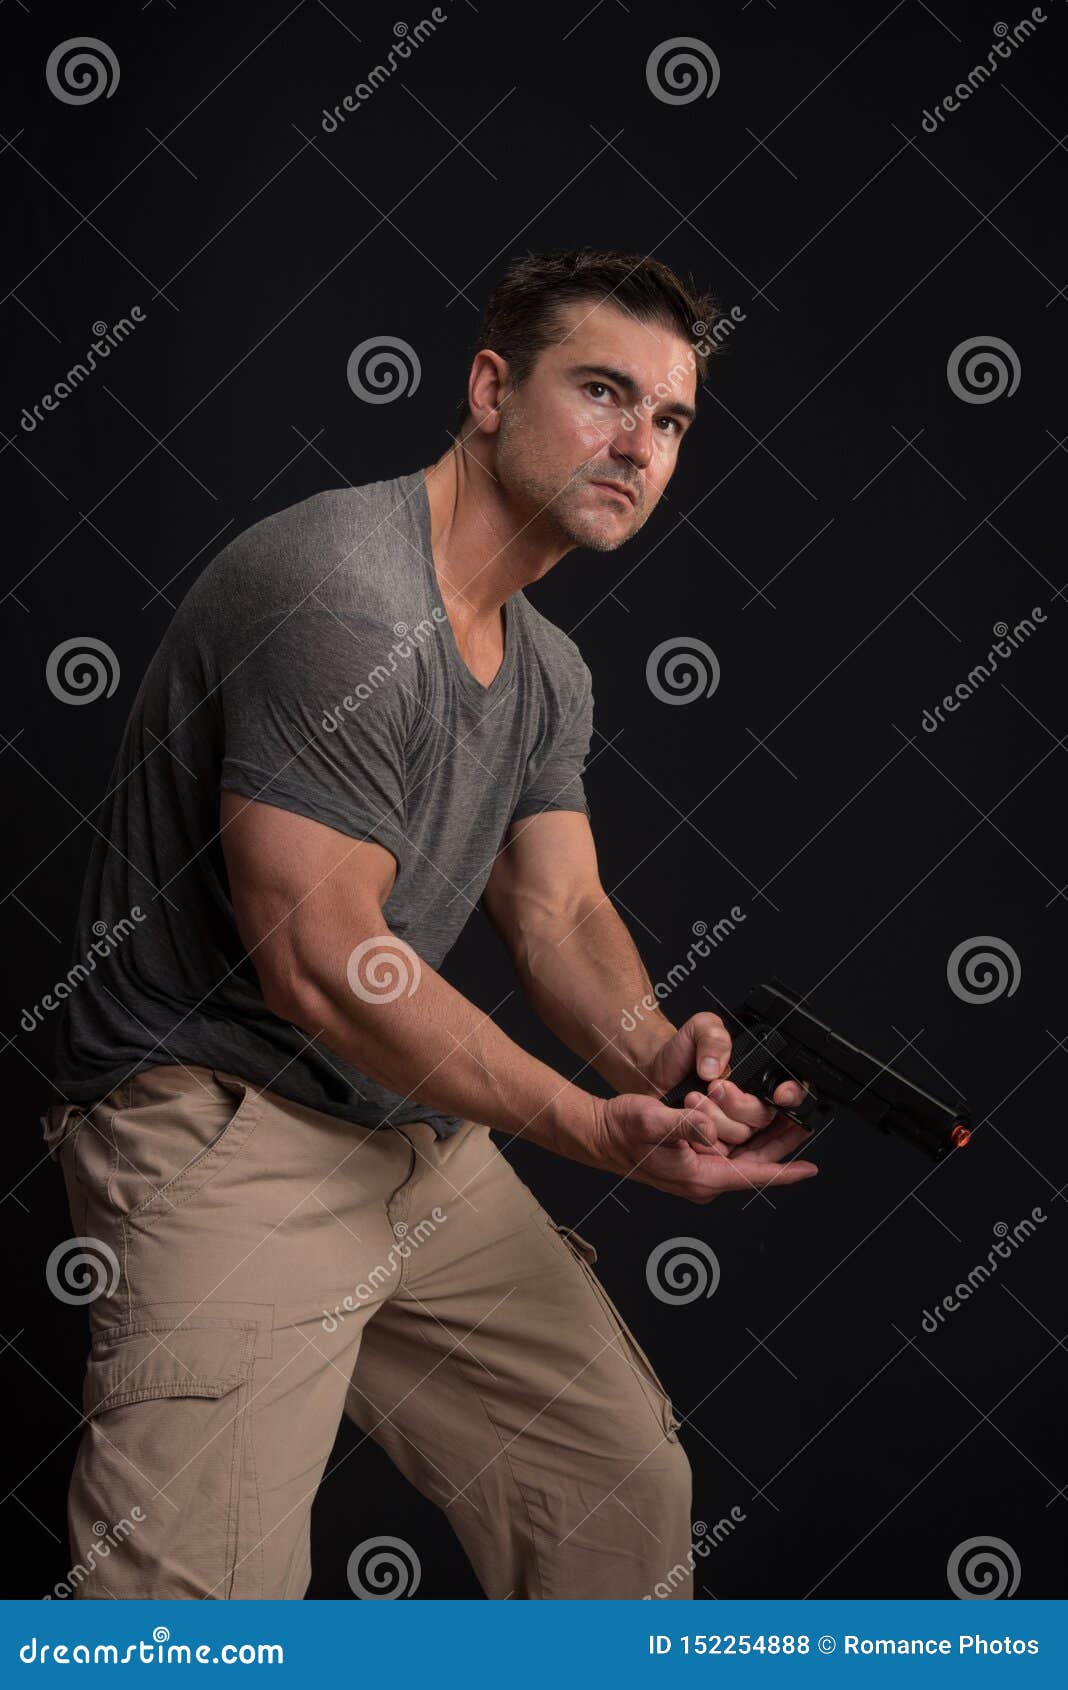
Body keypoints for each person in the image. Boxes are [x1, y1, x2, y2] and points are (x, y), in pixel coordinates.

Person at [41, 249, 818, 1601]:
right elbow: (323, 964)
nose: (640, 442)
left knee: (615, 1492)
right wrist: (583, 1126)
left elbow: (560, 908)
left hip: (398, 1131)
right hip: (227, 1123)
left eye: (673, 419)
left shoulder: (546, 669)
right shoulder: (341, 590)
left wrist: (661, 1064)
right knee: (189, 1616)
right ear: (487, 389)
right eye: (602, 391)